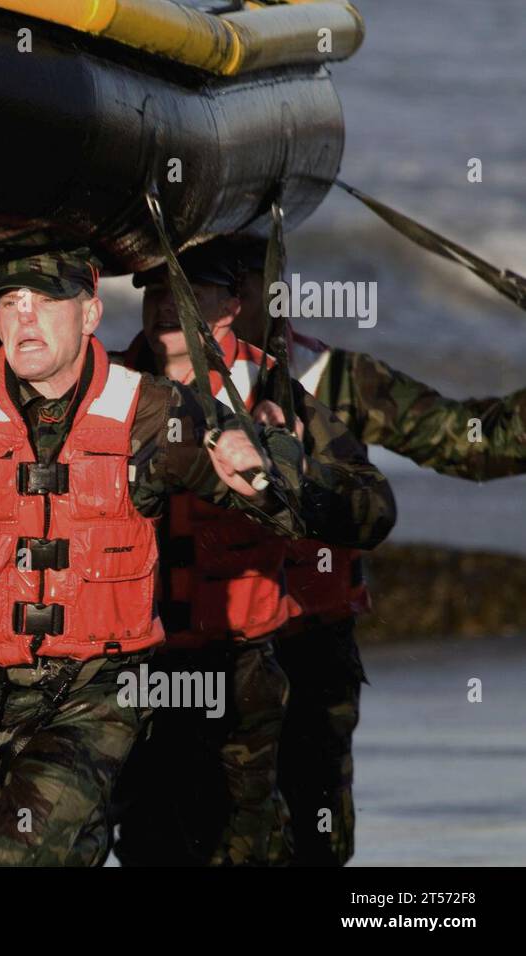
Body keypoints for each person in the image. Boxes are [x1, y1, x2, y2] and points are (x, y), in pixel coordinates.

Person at [0, 250, 392, 866]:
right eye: (11, 305)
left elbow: (314, 500)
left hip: (120, 683)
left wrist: (265, 468)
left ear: (91, 313)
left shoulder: (160, 411)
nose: (25, 320)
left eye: (44, 304)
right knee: (68, 846)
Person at [222, 238, 526, 866]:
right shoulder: (141, 379)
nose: (222, 308)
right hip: (189, 651)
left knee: (314, 841)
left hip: (308, 645)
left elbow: (475, 444)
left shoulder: (331, 376)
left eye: (242, 288)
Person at [111, 246, 394, 866]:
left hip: (238, 659)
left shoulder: (273, 393)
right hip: (135, 664)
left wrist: (285, 469)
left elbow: (373, 507)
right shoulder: (104, 387)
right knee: (150, 843)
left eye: (186, 292)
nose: (165, 306)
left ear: (230, 308)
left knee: (254, 843)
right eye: (154, 291)